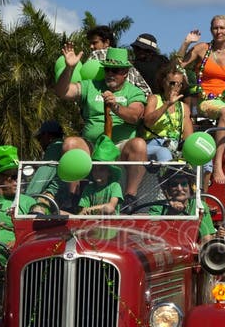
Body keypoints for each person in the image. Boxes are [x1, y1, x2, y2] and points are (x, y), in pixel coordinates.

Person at [54, 45, 149, 206]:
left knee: (139, 145)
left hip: (119, 147)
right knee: (70, 143)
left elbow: (135, 116)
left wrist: (115, 107)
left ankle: (130, 199)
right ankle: (73, 197)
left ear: (125, 72)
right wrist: (69, 69)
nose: (110, 74)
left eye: (115, 70)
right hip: (93, 145)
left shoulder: (134, 92)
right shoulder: (91, 85)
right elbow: (63, 92)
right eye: (107, 70)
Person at [178, 16, 225, 186]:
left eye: (222, 28)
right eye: (216, 28)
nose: (219, 31)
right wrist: (187, 42)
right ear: (211, 30)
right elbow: (178, 64)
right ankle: (217, 164)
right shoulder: (202, 49)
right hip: (208, 99)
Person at [148, 166, 217, 243]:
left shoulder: (199, 206)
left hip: (190, 252)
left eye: (184, 184)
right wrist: (171, 213)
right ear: (168, 188)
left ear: (191, 187)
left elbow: (206, 239)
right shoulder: (157, 208)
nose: (179, 189)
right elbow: (152, 239)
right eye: (174, 184)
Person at [142, 62, 194, 163]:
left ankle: (196, 178)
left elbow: (188, 138)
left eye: (179, 84)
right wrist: (167, 104)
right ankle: (169, 177)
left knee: (203, 159)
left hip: (175, 146)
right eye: (172, 83)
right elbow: (147, 122)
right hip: (153, 144)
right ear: (163, 82)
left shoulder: (184, 107)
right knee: (164, 152)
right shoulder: (154, 99)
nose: (175, 87)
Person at [76, 139, 123, 216]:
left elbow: (110, 208)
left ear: (109, 173)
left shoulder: (115, 186)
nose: (97, 173)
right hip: (90, 224)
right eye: (94, 169)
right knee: (60, 213)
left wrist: (90, 209)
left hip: (111, 225)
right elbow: (83, 211)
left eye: (101, 169)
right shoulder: (88, 188)